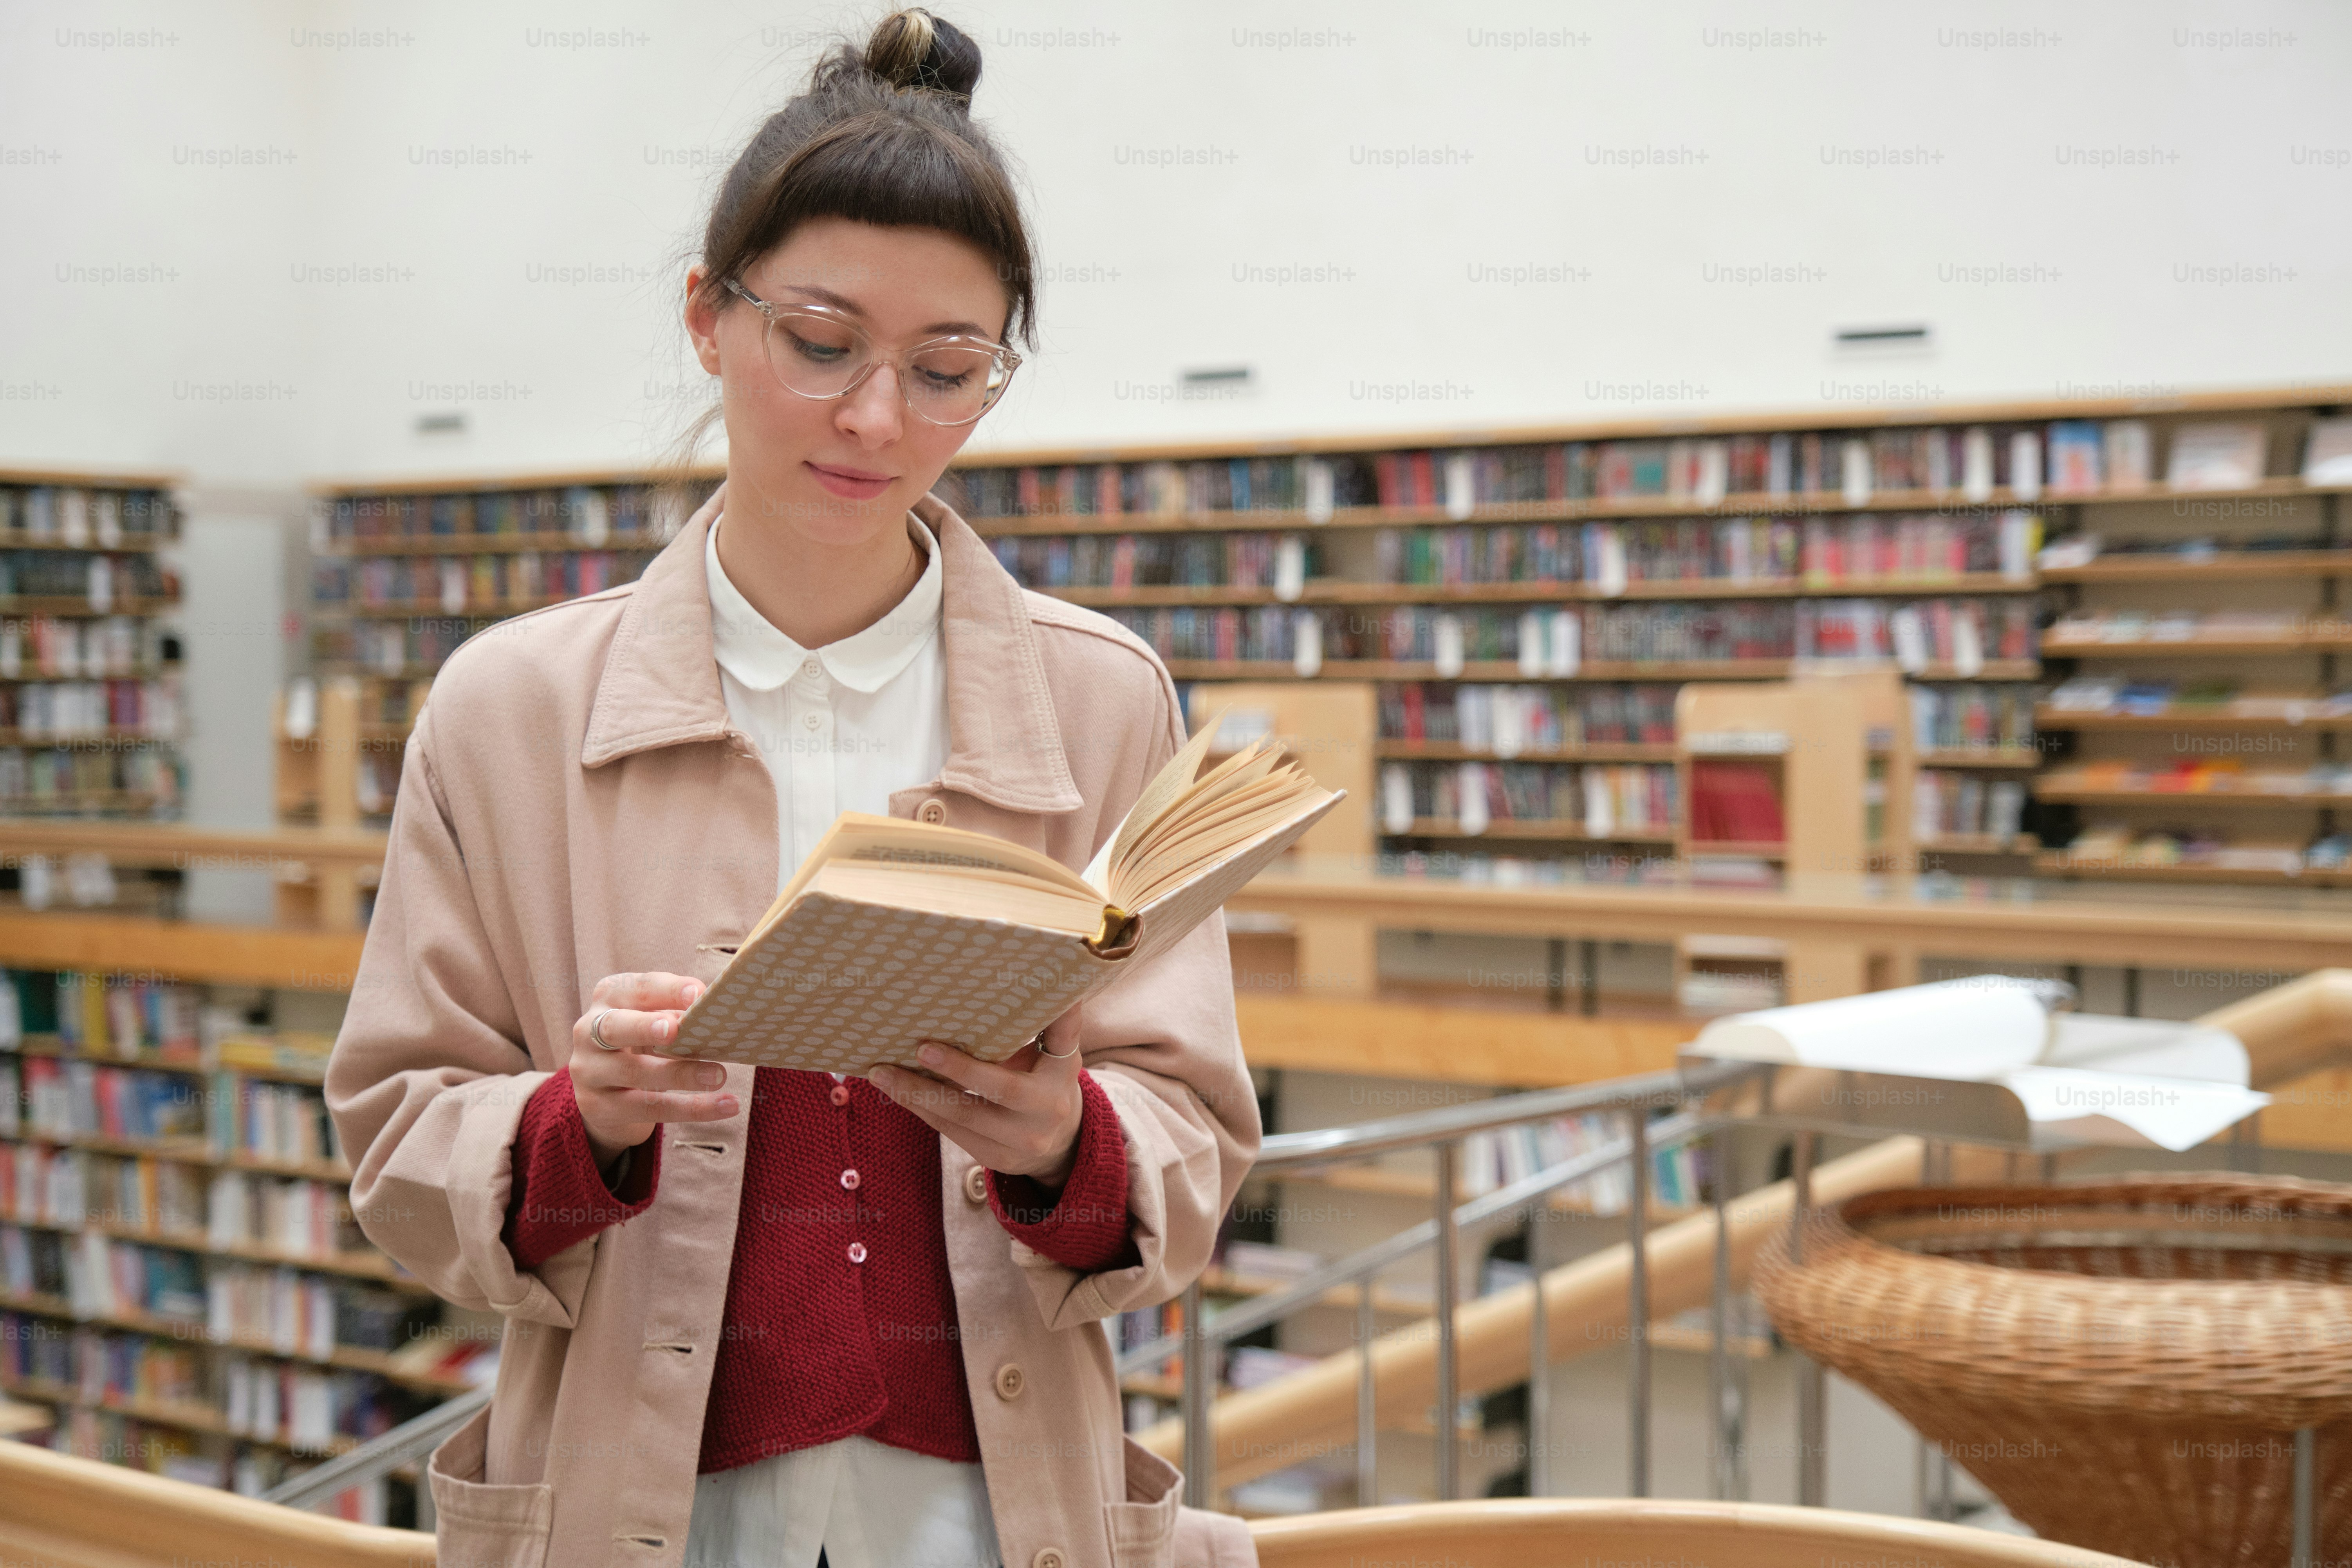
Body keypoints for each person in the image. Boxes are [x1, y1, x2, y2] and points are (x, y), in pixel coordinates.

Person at [323, 13, 1260, 1567]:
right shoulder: (511, 711)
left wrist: (1056, 1139)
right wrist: (581, 1124)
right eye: (818, 344)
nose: (877, 420)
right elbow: (398, 1139)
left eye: (948, 369)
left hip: (989, 1505)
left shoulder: (1098, 697)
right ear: (707, 315)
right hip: (652, 1503)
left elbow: (1194, 1141)